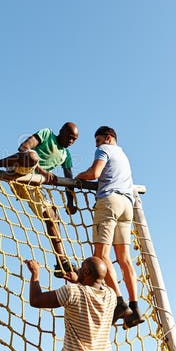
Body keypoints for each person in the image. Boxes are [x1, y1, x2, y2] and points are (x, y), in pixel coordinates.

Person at [0, 123, 79, 276]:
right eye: (70, 137)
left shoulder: (66, 155)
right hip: (20, 170)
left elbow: (69, 178)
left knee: (52, 217)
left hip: (31, 186)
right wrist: (42, 171)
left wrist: (70, 202)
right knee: (32, 156)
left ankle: (62, 262)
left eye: (74, 139)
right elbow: (23, 147)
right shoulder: (47, 134)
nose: (71, 141)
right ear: (61, 132)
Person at [74, 126, 144, 329]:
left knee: (101, 255)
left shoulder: (105, 149)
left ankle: (120, 304)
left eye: (98, 140)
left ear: (108, 138)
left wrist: (80, 175)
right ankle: (135, 307)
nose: (97, 145)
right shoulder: (123, 155)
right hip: (127, 205)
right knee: (124, 258)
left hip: (109, 201)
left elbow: (94, 173)